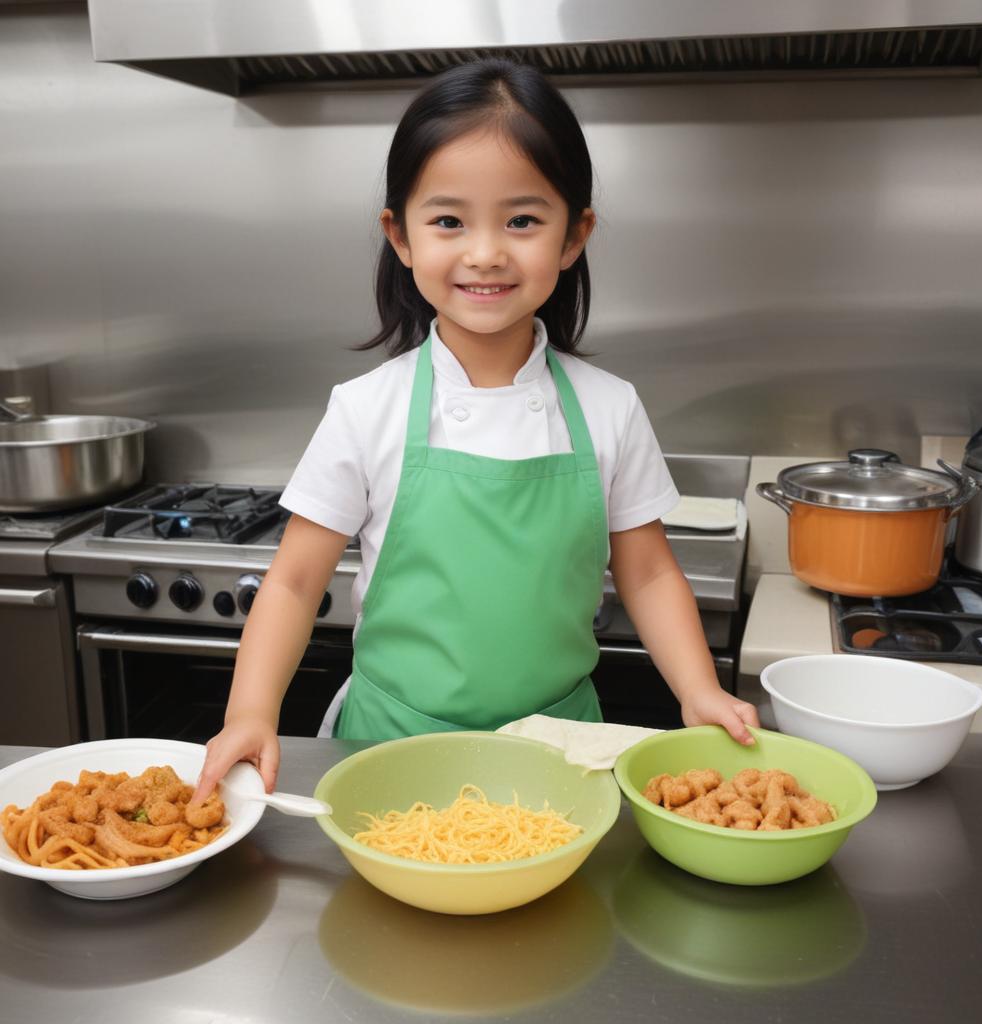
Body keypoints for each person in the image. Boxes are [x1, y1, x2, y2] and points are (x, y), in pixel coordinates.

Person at [192, 59, 759, 804]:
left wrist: (698, 690)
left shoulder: (610, 407)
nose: (486, 251)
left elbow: (648, 573)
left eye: (522, 220)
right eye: (449, 221)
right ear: (400, 235)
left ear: (574, 235)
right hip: (389, 749)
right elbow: (296, 582)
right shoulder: (366, 408)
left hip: (559, 757)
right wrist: (249, 713)